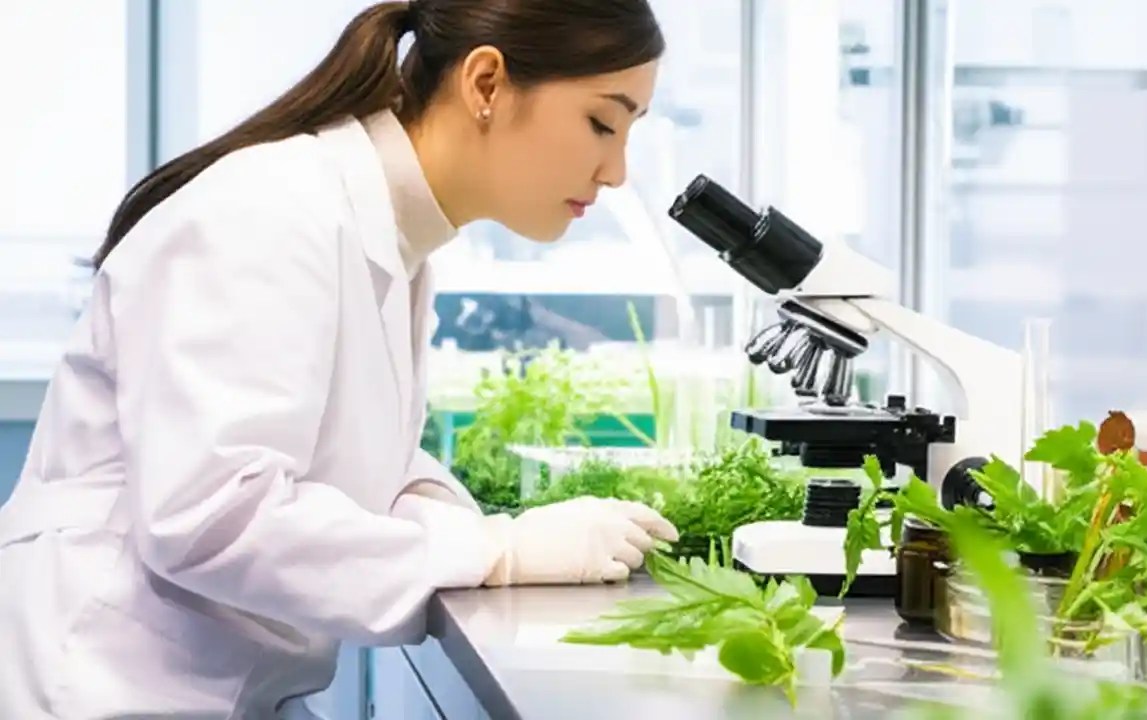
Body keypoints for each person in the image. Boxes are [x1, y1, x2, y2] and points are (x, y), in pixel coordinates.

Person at [0, 1, 679, 717]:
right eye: (602, 123)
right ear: (485, 84)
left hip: (210, 687)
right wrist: (493, 550)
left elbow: (349, 451)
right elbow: (212, 516)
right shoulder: (270, 213)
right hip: (101, 686)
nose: (616, 173)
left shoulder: (389, 238)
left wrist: (448, 513)